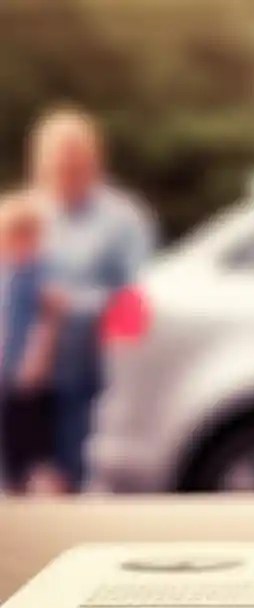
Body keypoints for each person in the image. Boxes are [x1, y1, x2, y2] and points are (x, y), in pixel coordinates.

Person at [29, 108, 155, 492]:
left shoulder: (123, 219)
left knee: (74, 479)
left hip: (90, 375)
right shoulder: (26, 214)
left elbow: (138, 301)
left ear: (93, 161)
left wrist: (74, 306)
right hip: (22, 378)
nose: (63, 170)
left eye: (73, 161)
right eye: (55, 160)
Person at [0, 192, 64, 496]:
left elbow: (47, 321)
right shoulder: (7, 274)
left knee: (32, 436)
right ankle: (13, 485)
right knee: (11, 437)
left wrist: (37, 360)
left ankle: (44, 485)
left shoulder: (38, 275)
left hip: (28, 373)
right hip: (6, 372)